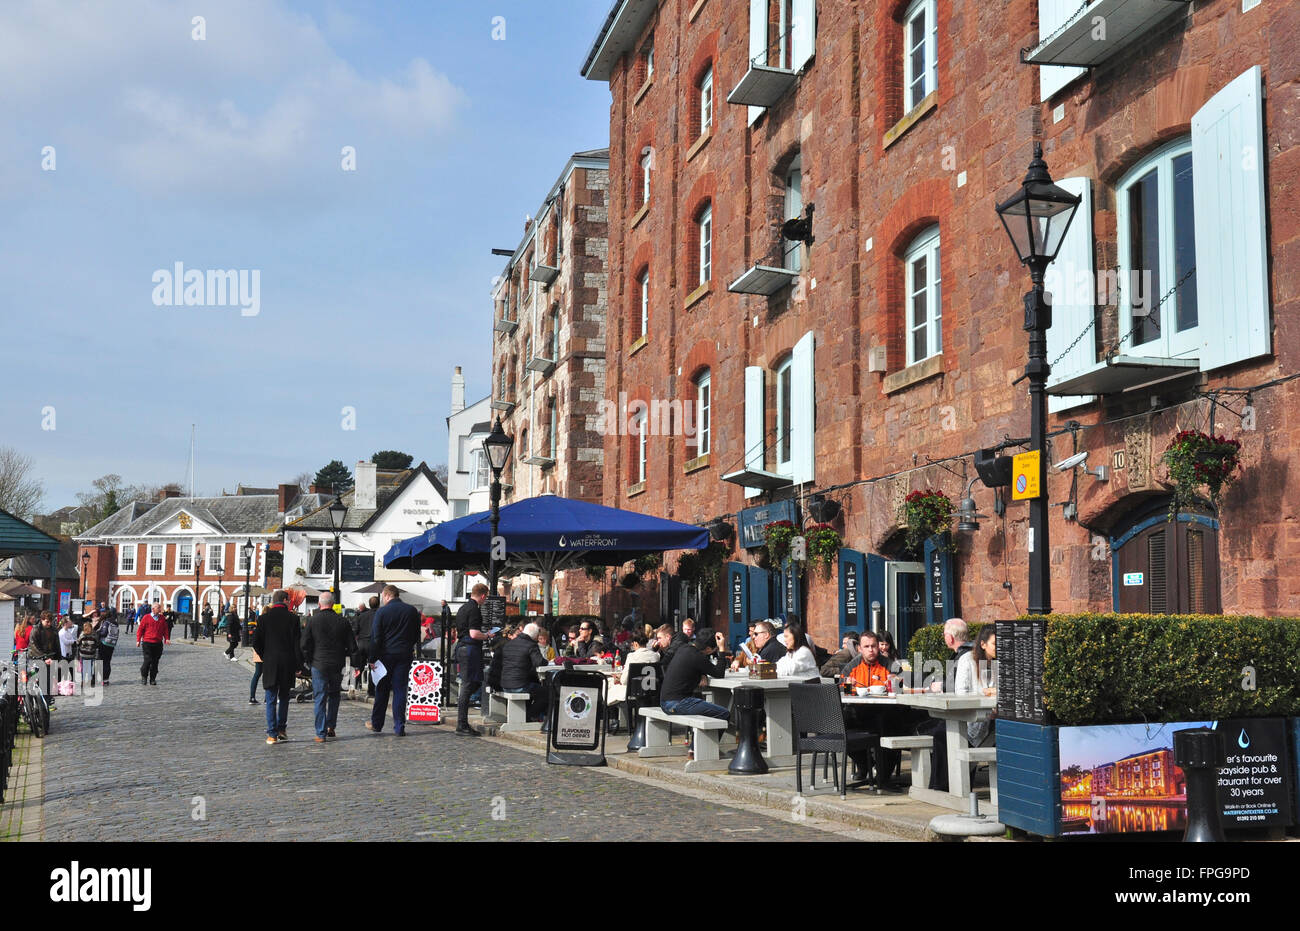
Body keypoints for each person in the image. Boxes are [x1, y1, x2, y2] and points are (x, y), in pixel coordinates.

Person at [302, 591, 357, 742]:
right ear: (333, 604)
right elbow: (352, 645)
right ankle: (331, 726)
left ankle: (320, 733)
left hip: (318, 663)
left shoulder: (313, 620)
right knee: (334, 695)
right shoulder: (343, 621)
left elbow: (304, 644)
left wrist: (308, 660)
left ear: (320, 604)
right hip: (337, 664)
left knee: (320, 697)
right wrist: (354, 664)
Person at [369, 584, 421, 736]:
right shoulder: (411, 610)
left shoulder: (382, 612)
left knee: (382, 689)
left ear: (386, 596)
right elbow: (416, 634)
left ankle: (377, 723)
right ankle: (399, 726)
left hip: (385, 655)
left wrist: (372, 658)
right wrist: (408, 646)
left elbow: (376, 637)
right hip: (404, 654)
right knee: (400, 690)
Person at [660, 628, 730, 734]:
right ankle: (704, 748)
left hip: (665, 702)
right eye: (714, 649)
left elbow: (693, 666)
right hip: (678, 703)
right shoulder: (698, 657)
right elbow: (719, 673)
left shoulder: (683, 648)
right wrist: (721, 648)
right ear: (707, 649)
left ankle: (694, 747)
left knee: (706, 711)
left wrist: (703, 673)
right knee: (724, 714)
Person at [254, 590, 303, 744]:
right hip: (287, 662)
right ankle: (282, 729)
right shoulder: (293, 619)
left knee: (270, 699)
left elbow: (256, 642)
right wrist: (298, 665)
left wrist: (265, 656)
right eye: (289, 600)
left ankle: (272, 734)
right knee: (284, 697)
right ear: (285, 600)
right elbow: (297, 645)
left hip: (270, 663)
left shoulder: (263, 619)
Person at [451, 584, 491, 736]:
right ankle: (461, 725)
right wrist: (487, 635)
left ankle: (462, 723)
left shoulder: (463, 608)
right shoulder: (474, 609)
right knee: (468, 686)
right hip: (470, 649)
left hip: (462, 648)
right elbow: (474, 634)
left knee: (471, 684)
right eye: (485, 597)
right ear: (482, 595)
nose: (485, 600)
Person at [500, 621, 549, 723]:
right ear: (535, 636)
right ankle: (529, 716)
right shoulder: (531, 645)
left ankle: (527, 716)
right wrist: (547, 661)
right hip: (520, 685)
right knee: (546, 693)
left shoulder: (510, 643)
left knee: (534, 689)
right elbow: (540, 662)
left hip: (505, 683)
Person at [956, 626, 997, 746]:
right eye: (994, 643)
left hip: (995, 722)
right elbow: (961, 693)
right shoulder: (968, 660)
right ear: (983, 644)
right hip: (971, 722)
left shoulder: (999, 663)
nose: (999, 647)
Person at [607, 633, 659, 710]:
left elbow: (624, 681)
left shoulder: (632, 656)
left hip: (634, 690)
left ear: (635, 644)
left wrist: (619, 678)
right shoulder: (656, 655)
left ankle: (612, 715)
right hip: (652, 690)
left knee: (609, 683)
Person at [136, 602, 169, 686]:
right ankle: (144, 677)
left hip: (158, 643)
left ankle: (152, 679)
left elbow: (165, 629)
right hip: (147, 643)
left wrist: (167, 639)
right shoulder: (146, 617)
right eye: (158, 608)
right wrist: (138, 640)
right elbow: (140, 630)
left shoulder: (162, 618)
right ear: (153, 609)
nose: (160, 609)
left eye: (160, 608)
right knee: (147, 660)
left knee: (155, 662)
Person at [351, 596, 377, 696]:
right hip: (373, 644)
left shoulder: (361, 616)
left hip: (361, 643)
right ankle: (371, 691)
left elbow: (355, 630)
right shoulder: (379, 615)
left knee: (359, 666)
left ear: (369, 605)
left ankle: (354, 686)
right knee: (373, 668)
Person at [76, 622, 98, 688]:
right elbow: (97, 643)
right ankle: (89, 680)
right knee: (90, 668)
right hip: (91, 654)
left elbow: (77, 643)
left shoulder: (82, 635)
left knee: (83, 669)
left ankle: (83, 681)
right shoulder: (94, 635)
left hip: (83, 654)